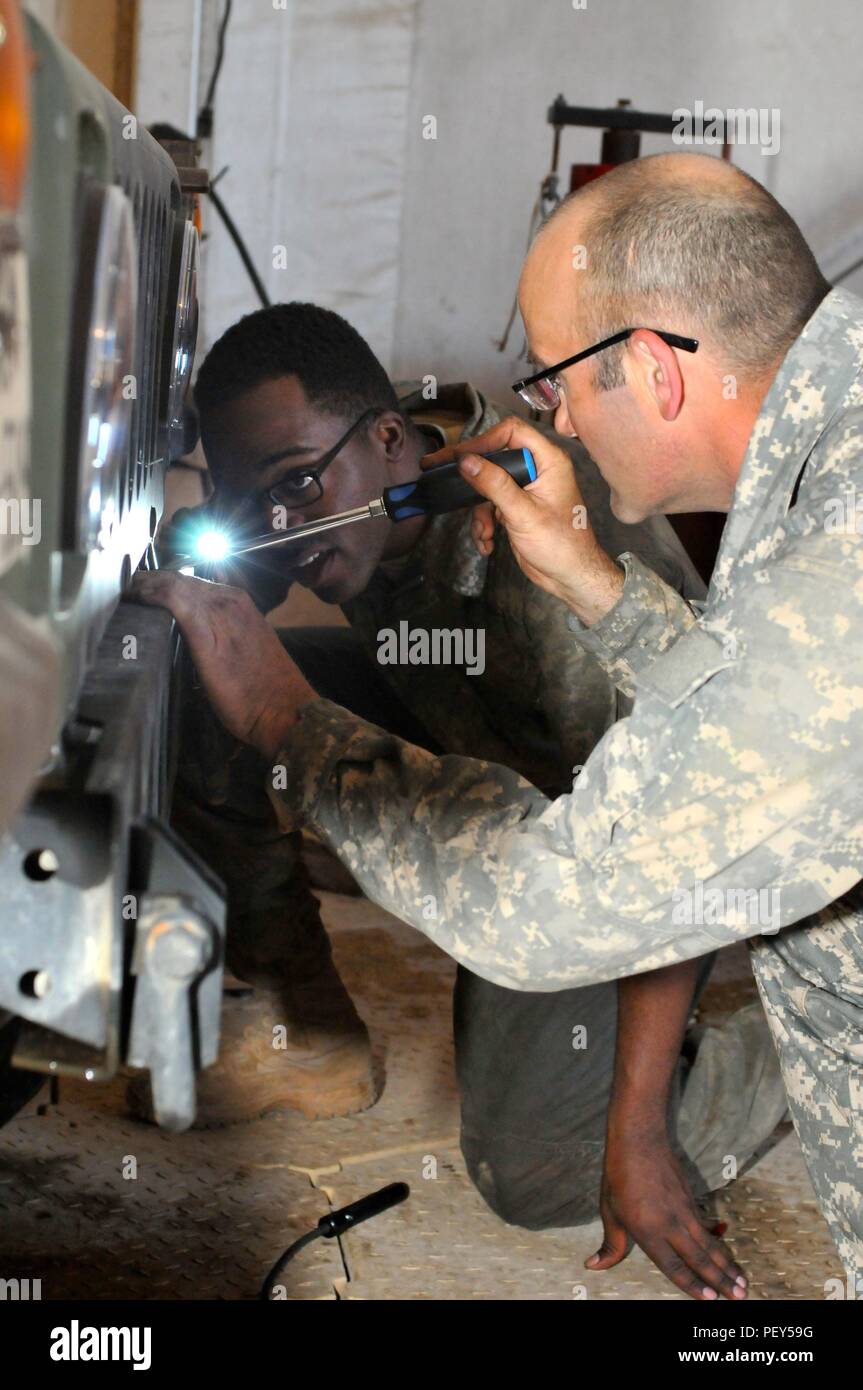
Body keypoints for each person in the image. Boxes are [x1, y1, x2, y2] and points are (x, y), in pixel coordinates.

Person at [131, 149, 862, 1297]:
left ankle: (748, 1055)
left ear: (652, 372)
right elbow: (708, 696)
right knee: (206, 668)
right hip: (582, 797)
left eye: (556, 379)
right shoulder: (808, 447)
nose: (545, 411)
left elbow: (616, 874)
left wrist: (633, 1130)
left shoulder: (822, 578)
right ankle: (301, 1021)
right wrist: (593, 582)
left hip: (610, 850)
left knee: (534, 1165)